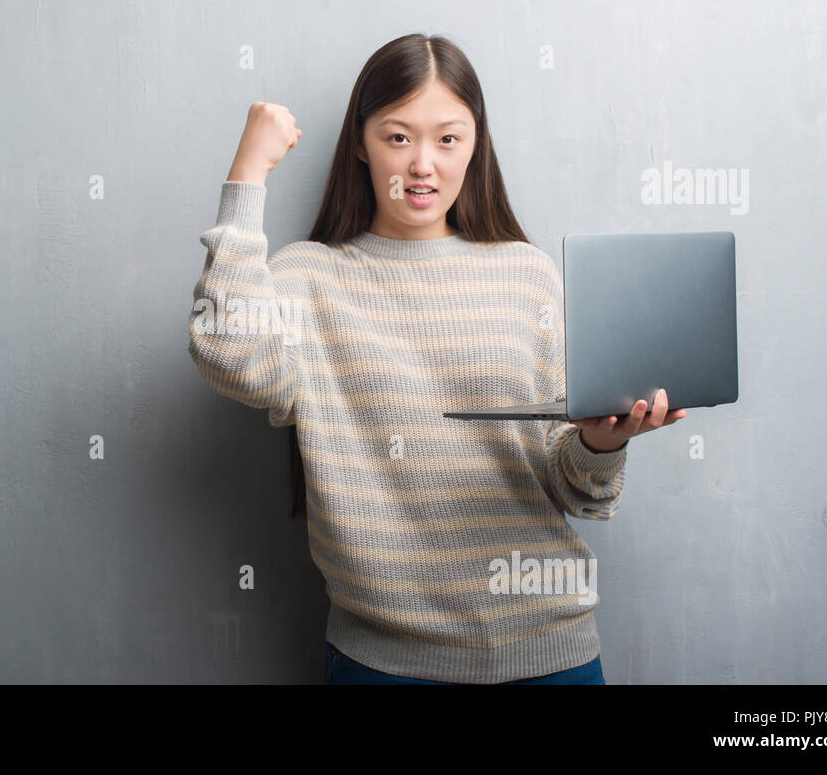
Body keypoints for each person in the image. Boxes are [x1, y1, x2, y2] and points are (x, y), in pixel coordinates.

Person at [187, 33, 685, 685]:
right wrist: (248, 172)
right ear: (360, 145)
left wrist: (598, 446)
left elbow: (576, 491)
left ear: (475, 147)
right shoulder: (309, 278)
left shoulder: (527, 277)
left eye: (448, 139)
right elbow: (228, 352)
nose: (423, 163)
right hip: (383, 665)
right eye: (398, 137)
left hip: (553, 657)